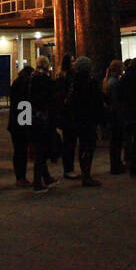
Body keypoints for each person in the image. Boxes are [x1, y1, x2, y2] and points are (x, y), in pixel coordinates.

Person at [67, 58, 104, 187]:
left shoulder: (73, 82)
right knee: (88, 146)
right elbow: (97, 100)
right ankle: (86, 175)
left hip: (77, 119)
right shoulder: (90, 82)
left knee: (82, 147)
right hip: (88, 119)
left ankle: (85, 173)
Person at [29, 57, 57, 193]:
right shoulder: (46, 81)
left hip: (33, 118)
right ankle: (37, 182)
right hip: (43, 120)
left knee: (39, 148)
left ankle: (46, 177)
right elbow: (51, 101)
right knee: (41, 150)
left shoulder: (31, 79)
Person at [7, 63, 33, 188]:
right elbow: (25, 105)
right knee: (21, 151)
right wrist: (27, 124)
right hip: (20, 123)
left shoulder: (16, 83)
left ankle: (20, 176)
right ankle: (21, 177)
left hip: (14, 123)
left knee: (18, 151)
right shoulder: (24, 86)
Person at [55, 55, 78, 179]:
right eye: (72, 61)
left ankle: (70, 167)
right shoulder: (65, 78)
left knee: (71, 142)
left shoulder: (69, 77)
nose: (74, 64)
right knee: (69, 142)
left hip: (70, 114)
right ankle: (68, 169)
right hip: (67, 115)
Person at [103, 58, 125, 175]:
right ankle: (116, 165)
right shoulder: (115, 83)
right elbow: (117, 101)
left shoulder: (108, 81)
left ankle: (115, 164)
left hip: (111, 115)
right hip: (116, 115)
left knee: (114, 141)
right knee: (117, 141)